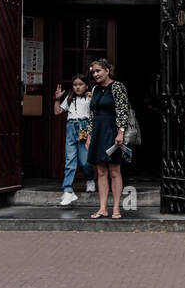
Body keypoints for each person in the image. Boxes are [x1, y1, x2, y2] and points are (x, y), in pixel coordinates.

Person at [85, 58, 130, 220]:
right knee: (101, 171)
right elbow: (92, 115)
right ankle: (103, 208)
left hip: (112, 130)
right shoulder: (96, 89)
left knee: (114, 170)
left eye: (98, 71)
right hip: (97, 132)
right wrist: (89, 136)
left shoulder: (117, 87)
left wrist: (121, 132)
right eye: (93, 72)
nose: (95, 74)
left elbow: (123, 110)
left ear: (107, 71)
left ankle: (116, 208)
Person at [54, 74, 96, 207]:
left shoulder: (90, 99)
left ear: (86, 86)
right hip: (71, 128)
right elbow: (58, 111)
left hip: (84, 127)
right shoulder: (69, 98)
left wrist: (93, 97)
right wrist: (57, 99)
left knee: (85, 161)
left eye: (80, 84)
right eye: (75, 85)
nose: (77, 87)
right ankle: (68, 190)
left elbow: (95, 114)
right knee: (70, 161)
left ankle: (90, 179)